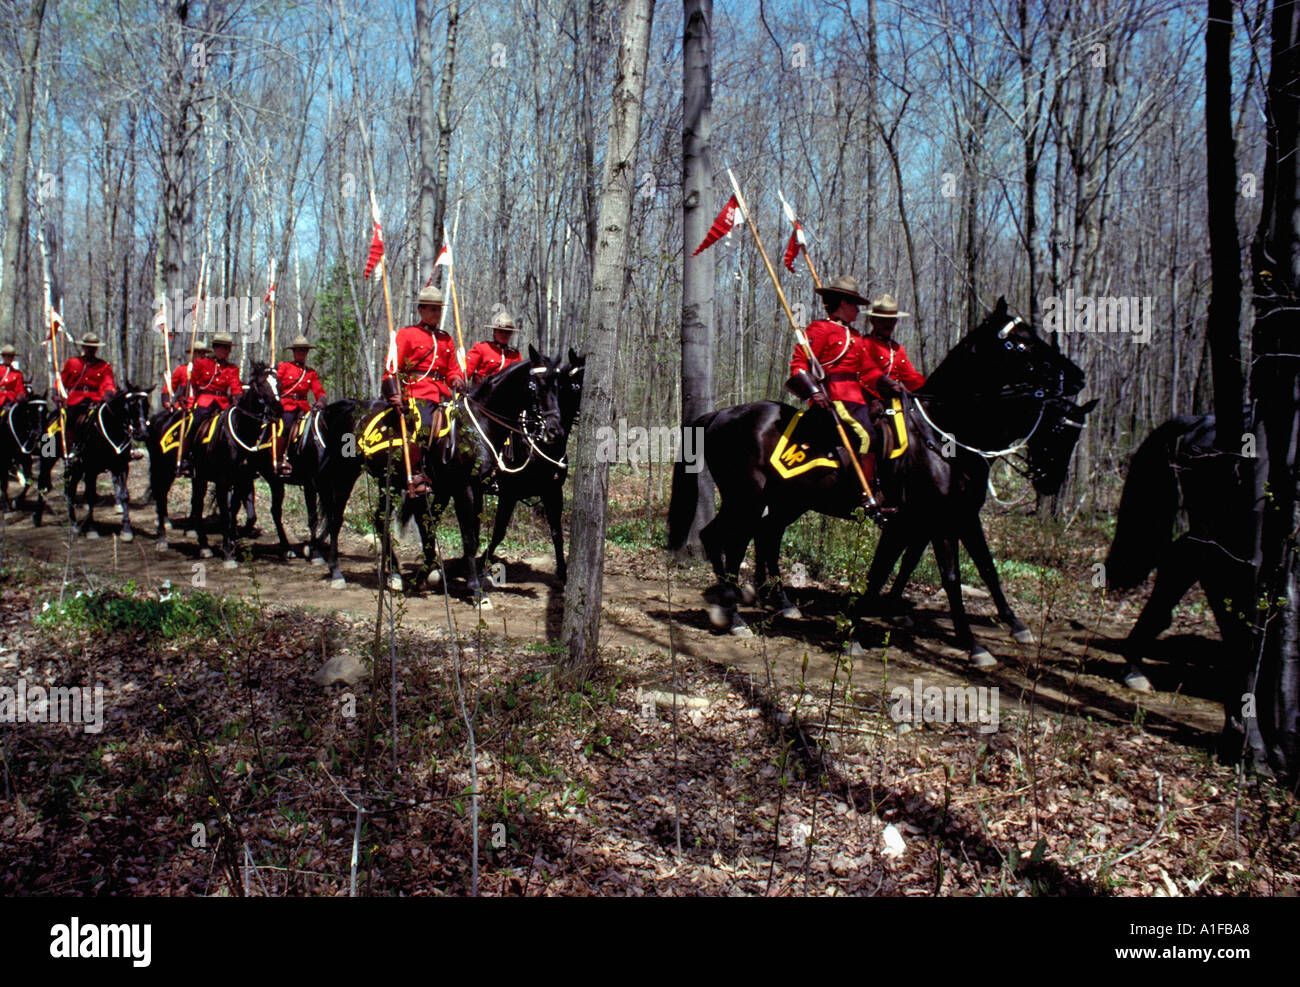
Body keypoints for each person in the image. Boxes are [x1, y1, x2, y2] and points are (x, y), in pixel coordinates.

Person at [785, 275, 887, 512]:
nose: (858, 311)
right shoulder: (819, 329)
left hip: (858, 398)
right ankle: (865, 493)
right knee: (865, 436)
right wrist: (814, 392)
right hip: (835, 396)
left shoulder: (857, 336)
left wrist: (886, 382)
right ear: (843, 303)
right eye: (855, 306)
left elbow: (868, 370)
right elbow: (799, 364)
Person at [382, 285, 465, 493]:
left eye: (438, 309)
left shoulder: (446, 339)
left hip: (443, 394)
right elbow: (393, 368)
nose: (436, 313)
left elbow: (452, 370)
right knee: (424, 424)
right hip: (416, 391)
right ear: (421, 310)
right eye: (432, 309)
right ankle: (417, 473)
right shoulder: (407, 335)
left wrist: (456, 379)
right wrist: (394, 394)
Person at [177, 332, 242, 477]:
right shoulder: (202, 364)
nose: (226, 351)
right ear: (215, 348)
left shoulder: (232, 368)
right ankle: (185, 457)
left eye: (228, 348)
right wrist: (185, 397)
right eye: (223, 347)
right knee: (193, 423)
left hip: (224, 404)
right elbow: (192, 382)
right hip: (204, 401)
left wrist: (238, 400)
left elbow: (236, 387)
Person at [274, 334, 326, 476]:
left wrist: (321, 401)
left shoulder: (311, 373)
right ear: (294, 352)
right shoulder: (284, 367)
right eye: (299, 350)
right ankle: (279, 459)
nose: (302, 353)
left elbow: (319, 391)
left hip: (304, 407)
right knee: (286, 425)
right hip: (287, 405)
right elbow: (274, 384)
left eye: (304, 350)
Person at [860, 293, 927, 400]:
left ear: (896, 321)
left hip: (894, 399)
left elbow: (912, 378)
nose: (888, 324)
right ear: (872, 321)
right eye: (882, 320)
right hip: (868, 398)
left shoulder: (898, 350)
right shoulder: (863, 344)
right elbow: (864, 375)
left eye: (891, 320)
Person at [59, 333, 117, 444]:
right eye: (88, 347)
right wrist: (56, 394)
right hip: (75, 400)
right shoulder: (72, 363)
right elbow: (61, 382)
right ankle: (66, 446)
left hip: (96, 400)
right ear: (83, 347)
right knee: (68, 420)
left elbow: (108, 382)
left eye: (93, 348)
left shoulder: (104, 366)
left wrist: (108, 393)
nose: (91, 350)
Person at [464, 309, 523, 384]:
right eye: (501, 331)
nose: (504, 335)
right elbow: (466, 372)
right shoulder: (482, 348)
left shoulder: (515, 355)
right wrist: (460, 383)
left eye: (508, 332)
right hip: (483, 392)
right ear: (494, 332)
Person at [164, 338, 209, 412]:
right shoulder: (182, 370)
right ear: (192, 354)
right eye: (198, 352)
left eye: (203, 353)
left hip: (202, 407)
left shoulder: (208, 372)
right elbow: (170, 388)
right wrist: (167, 401)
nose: (201, 356)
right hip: (183, 407)